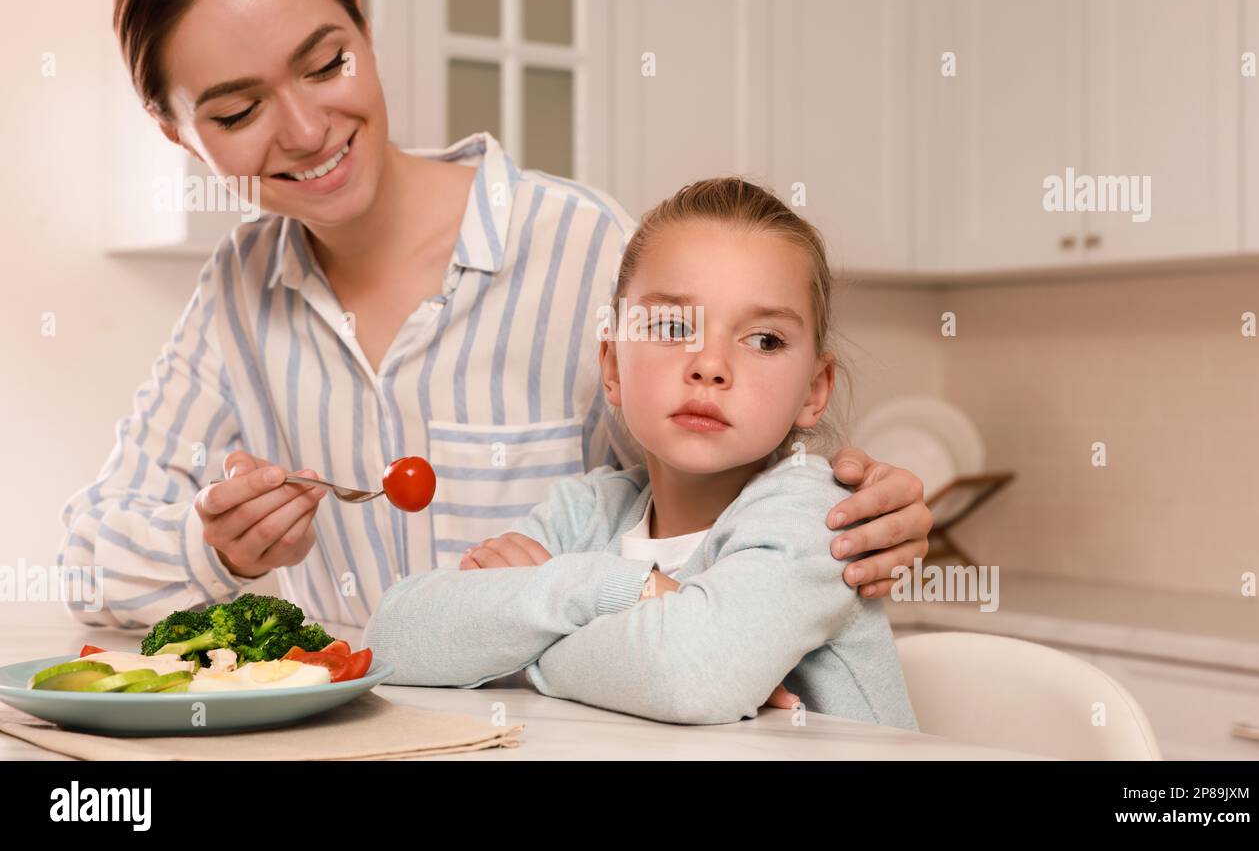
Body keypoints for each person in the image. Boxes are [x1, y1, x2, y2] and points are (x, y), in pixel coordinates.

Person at [60, 0, 933, 709]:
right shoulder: (236, 293)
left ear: (364, 22)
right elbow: (87, 563)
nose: (304, 129)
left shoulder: (584, 247)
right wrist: (210, 546)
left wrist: (863, 506)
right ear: (177, 132)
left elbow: (738, 465)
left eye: (327, 62)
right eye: (239, 109)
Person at [363, 178, 918, 726]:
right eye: (673, 325)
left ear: (814, 391)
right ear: (612, 368)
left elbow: (693, 676)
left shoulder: (818, 518)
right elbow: (396, 639)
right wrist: (628, 589)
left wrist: (519, 650)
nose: (710, 364)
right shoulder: (587, 514)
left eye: (764, 339)